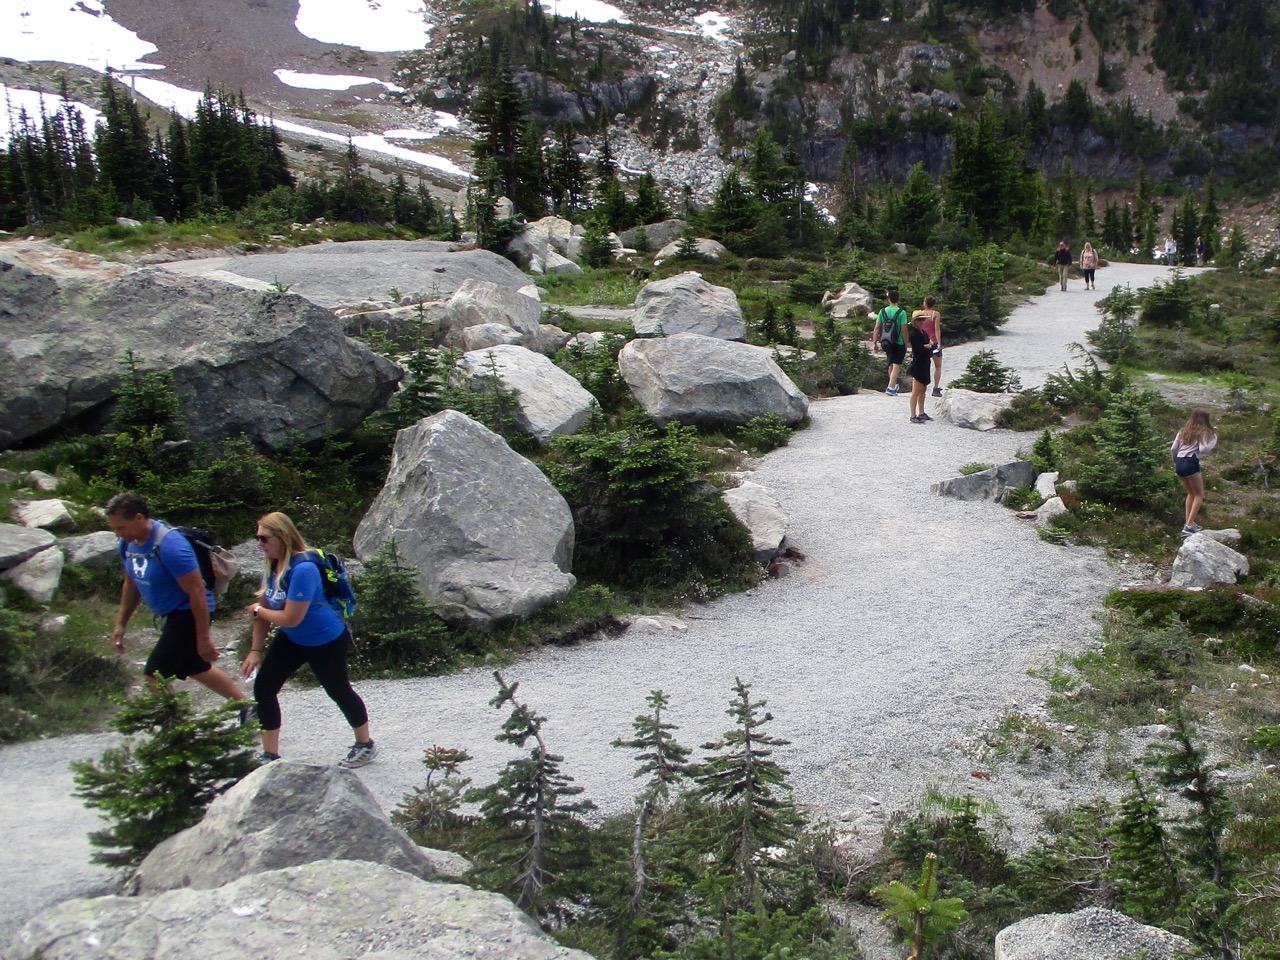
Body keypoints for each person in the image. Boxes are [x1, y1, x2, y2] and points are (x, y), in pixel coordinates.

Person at [242, 511, 377, 768]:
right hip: (294, 638)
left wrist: (259, 611)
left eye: (264, 538)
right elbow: (263, 608)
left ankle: (365, 744)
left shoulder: (304, 568)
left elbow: (290, 617)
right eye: (257, 538)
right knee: (264, 688)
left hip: (324, 638)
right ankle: (270, 756)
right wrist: (255, 650)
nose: (260, 544)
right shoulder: (273, 564)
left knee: (338, 689)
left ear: (282, 536)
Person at [106, 492, 249, 706]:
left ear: (138, 518)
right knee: (195, 667)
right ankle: (248, 707)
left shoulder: (170, 544)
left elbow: (197, 591)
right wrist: (121, 623)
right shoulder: (128, 544)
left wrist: (203, 637)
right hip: (172, 613)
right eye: (115, 529)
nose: (118, 534)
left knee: (154, 674)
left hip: (189, 612)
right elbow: (131, 582)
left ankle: (178, 729)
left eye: (121, 527)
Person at [1170, 410, 1218, 535]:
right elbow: (1203, 449)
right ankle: (1189, 525)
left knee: (1191, 493)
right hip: (1191, 462)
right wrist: (1213, 440)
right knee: (1199, 495)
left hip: (1179, 462)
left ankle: (1189, 522)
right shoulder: (1203, 432)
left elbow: (1173, 448)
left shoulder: (1182, 431)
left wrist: (1175, 461)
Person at [871, 288, 909, 396]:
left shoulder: (882, 311)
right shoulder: (902, 313)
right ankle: (890, 387)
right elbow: (904, 329)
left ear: (889, 299)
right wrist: (906, 343)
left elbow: (877, 328)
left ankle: (892, 385)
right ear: (898, 299)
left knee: (890, 363)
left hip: (886, 341)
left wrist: (874, 342)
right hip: (899, 342)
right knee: (897, 364)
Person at [906, 313, 933, 424]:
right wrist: (927, 346)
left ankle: (921, 412)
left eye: (923, 320)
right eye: (919, 320)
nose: (922, 322)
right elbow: (920, 348)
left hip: (925, 362)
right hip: (918, 363)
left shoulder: (923, 332)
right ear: (915, 321)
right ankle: (913, 415)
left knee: (923, 390)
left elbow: (930, 344)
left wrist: (927, 346)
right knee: (916, 391)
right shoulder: (913, 333)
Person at [915, 295, 944, 396]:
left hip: (924, 341)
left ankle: (920, 386)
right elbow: (937, 329)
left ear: (925, 303)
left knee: (923, 365)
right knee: (938, 366)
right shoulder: (935, 314)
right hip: (934, 342)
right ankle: (935, 388)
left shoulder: (921, 314)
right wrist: (939, 343)